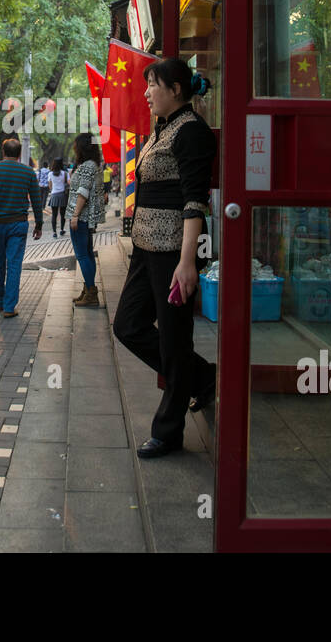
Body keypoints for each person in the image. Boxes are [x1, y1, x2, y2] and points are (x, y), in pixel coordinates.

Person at [112, 57, 218, 459]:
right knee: (127, 325)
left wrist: (187, 262)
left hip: (174, 252)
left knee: (174, 341)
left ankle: (169, 432)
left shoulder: (192, 132)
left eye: (153, 84)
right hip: (145, 249)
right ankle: (202, 376)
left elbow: (195, 202)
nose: (146, 93)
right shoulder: (163, 129)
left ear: (175, 89)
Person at [0, 138, 43, 318]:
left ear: (3, 151)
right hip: (18, 224)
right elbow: (36, 200)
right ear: (20, 153)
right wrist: (38, 224)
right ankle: (9, 307)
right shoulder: (28, 172)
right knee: (14, 265)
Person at [68, 134, 106, 308]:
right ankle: (88, 289)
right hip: (85, 218)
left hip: (81, 217)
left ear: (81, 147)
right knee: (88, 254)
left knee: (82, 255)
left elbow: (83, 191)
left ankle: (91, 292)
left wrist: (75, 215)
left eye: (76, 145)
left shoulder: (87, 166)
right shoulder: (93, 165)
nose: (74, 147)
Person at [48, 157, 68, 236]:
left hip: (54, 195)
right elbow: (69, 183)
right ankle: (62, 230)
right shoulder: (65, 173)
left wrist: (53, 190)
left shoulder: (50, 174)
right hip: (62, 195)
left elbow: (50, 186)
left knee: (54, 214)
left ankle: (54, 232)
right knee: (62, 214)